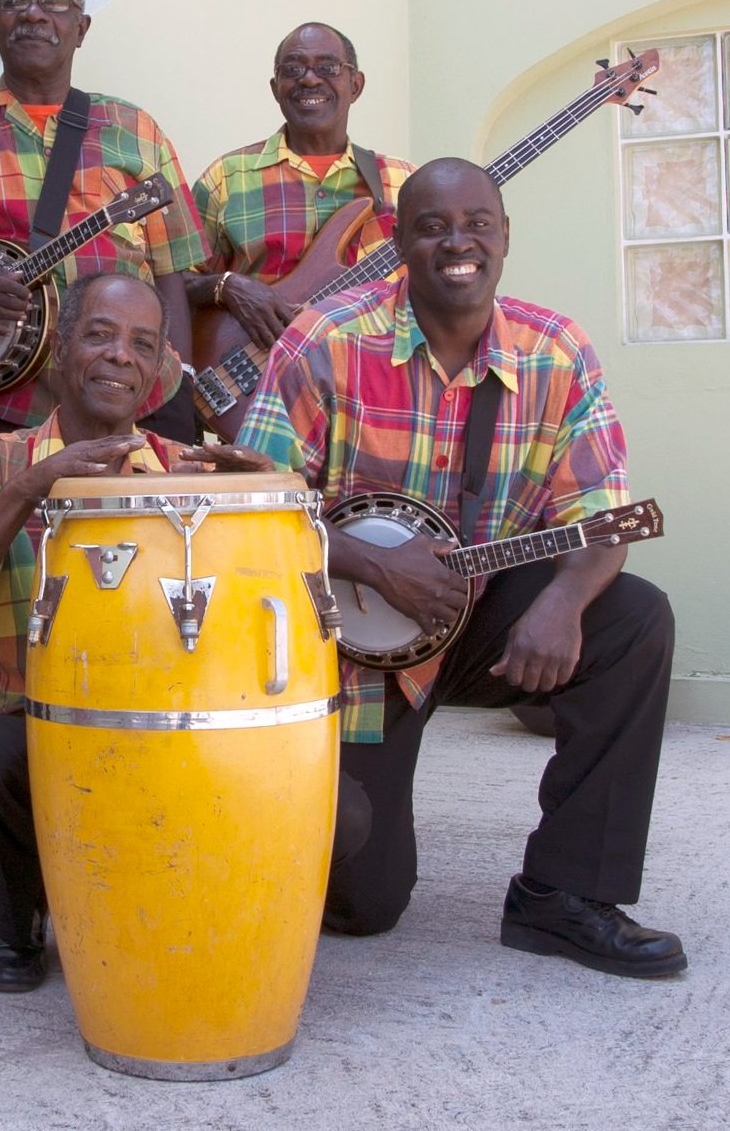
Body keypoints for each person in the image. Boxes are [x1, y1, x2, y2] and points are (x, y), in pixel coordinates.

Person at [235, 158, 686, 978]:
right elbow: (252, 513)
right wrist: (374, 566)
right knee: (361, 903)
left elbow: (601, 514)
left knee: (633, 618)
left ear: (505, 236)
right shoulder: (328, 341)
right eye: (433, 225)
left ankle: (565, 896)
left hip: (480, 619)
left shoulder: (556, 352)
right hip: (350, 646)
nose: (458, 242)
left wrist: (565, 602)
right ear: (401, 241)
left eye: (478, 223)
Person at [0, 273, 267, 991]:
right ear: (62, 347)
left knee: (344, 823)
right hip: (36, 725)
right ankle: (16, 912)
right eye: (100, 334)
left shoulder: (186, 473)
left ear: (159, 368)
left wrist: (262, 500)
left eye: (142, 343)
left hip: (164, 733)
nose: (119, 357)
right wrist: (26, 490)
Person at [0, 0, 205, 447]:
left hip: (140, 396)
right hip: (2, 402)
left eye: (53, 2)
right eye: (16, 0)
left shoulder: (135, 129)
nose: (33, 13)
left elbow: (169, 274)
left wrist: (177, 379)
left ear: (82, 29)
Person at [187, 22, 411, 353]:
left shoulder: (405, 183)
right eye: (293, 68)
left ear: (356, 85)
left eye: (327, 67)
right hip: (256, 383)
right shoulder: (226, 176)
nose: (309, 79)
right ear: (276, 87)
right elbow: (175, 283)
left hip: (372, 385)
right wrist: (227, 285)